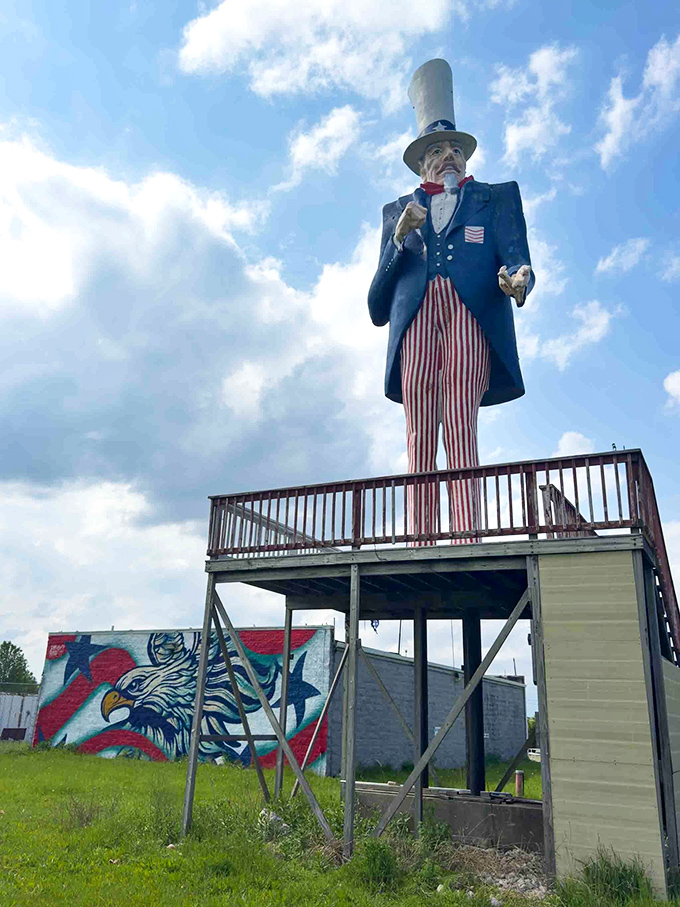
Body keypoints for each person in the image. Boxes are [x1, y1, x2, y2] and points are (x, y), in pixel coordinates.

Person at [368, 59, 534, 542]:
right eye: (437, 150)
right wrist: (399, 239)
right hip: (415, 320)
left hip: (468, 312)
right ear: (421, 163)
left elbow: (518, 259)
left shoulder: (495, 198)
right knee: (419, 432)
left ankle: (466, 535)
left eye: (455, 149)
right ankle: (420, 537)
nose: (448, 157)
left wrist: (519, 280)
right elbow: (377, 305)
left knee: (461, 422)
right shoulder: (397, 212)